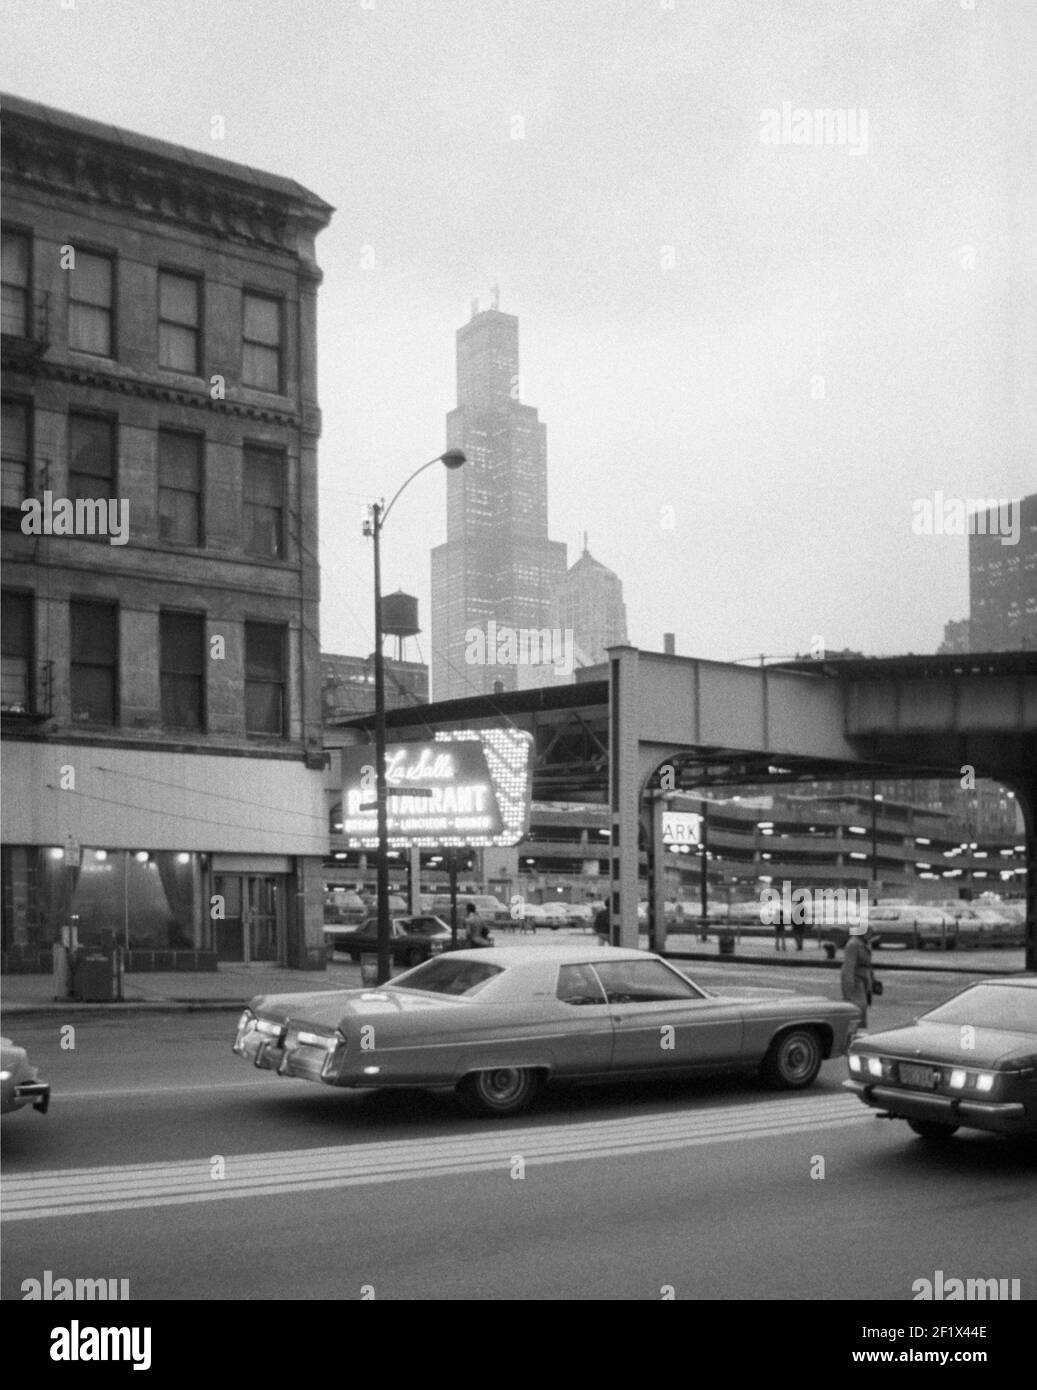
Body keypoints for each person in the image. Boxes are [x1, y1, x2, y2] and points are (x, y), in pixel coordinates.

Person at [841, 921, 874, 1028]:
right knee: (859, 1007)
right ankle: (855, 1030)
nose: (870, 935)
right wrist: (849, 985)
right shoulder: (853, 944)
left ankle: (859, 1029)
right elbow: (849, 966)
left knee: (862, 1007)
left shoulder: (865, 943)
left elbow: (868, 964)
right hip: (855, 979)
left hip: (864, 978)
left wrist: (872, 978)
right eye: (869, 932)